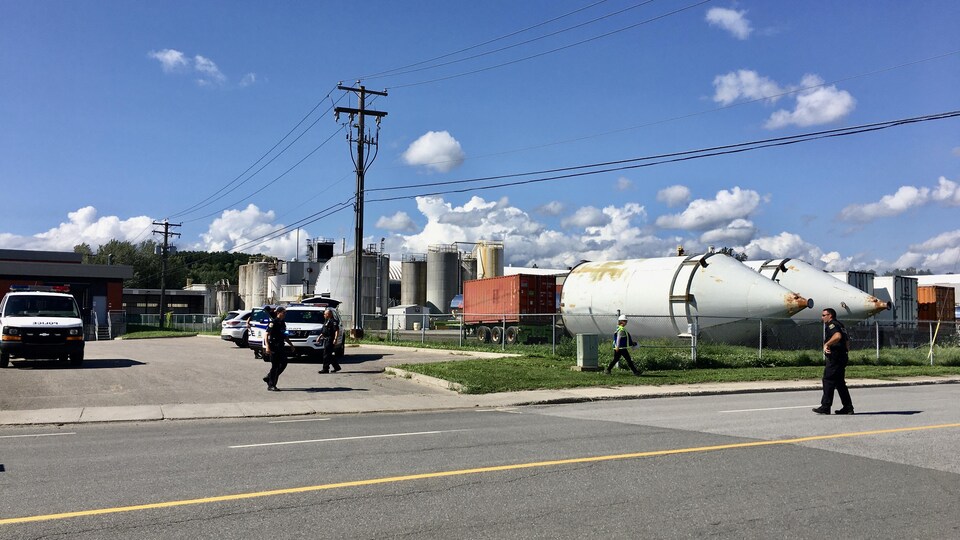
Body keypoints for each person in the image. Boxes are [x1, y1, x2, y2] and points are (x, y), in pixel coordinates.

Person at [813, 308, 854, 415]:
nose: (822, 317)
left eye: (824, 315)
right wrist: (845, 352)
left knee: (828, 380)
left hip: (835, 358)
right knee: (840, 383)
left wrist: (827, 344)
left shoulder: (832, 325)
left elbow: (837, 336)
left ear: (830, 315)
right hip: (842, 356)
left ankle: (825, 407)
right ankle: (848, 407)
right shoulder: (840, 325)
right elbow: (846, 341)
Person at [263, 306, 294, 391]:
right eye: (283, 313)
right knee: (275, 366)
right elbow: (266, 334)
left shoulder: (283, 323)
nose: (285, 314)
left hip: (281, 346)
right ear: (278, 313)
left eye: (285, 313)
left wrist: (291, 345)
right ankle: (271, 385)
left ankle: (269, 377)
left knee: (284, 363)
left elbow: (285, 335)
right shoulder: (273, 322)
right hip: (274, 346)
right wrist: (267, 347)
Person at [318, 308, 341, 374]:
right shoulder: (327, 321)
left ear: (329, 314)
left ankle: (325, 369)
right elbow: (325, 331)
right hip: (326, 339)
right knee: (329, 354)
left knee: (326, 354)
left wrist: (335, 339)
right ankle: (336, 367)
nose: (324, 315)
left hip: (330, 339)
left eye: (325, 314)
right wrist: (319, 336)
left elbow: (336, 330)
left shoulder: (333, 321)